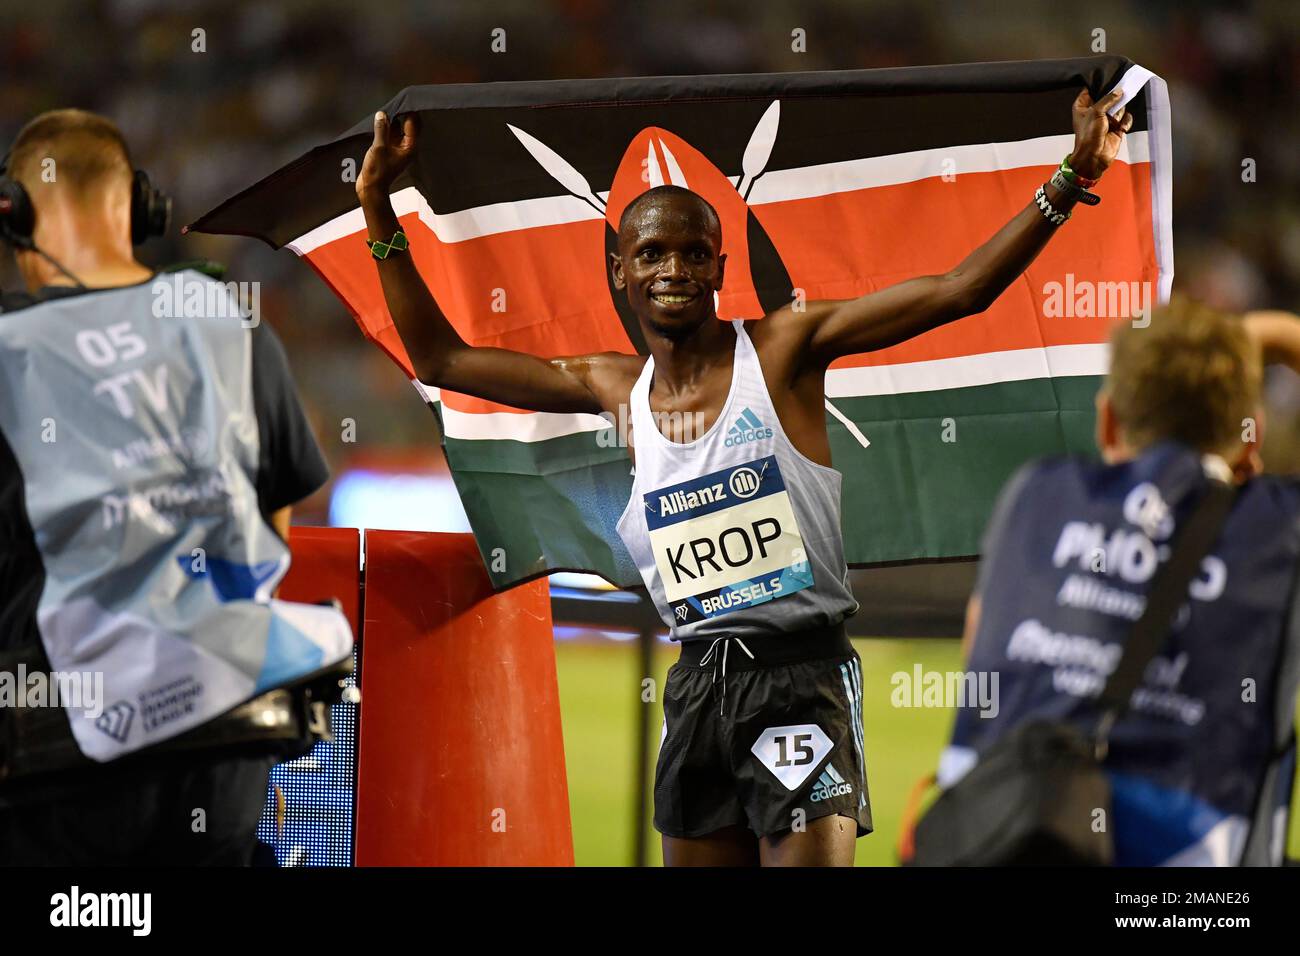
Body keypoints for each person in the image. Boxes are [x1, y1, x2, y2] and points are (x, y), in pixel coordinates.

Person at [354, 86, 1133, 865]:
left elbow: (961, 291)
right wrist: (379, 209)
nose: (675, 269)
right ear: (618, 267)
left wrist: (1070, 177)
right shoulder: (610, 386)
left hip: (802, 679)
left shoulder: (784, 350)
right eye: (653, 253)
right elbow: (441, 361)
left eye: (696, 252)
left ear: (721, 266)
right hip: (696, 685)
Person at [0, 109, 347, 865]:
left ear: (15, 215)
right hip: (230, 736)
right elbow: (272, 531)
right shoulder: (232, 325)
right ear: (141, 209)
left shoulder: (9, 347)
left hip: (57, 757)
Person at [939, 299, 1300, 866]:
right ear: (1250, 447)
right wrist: (1273, 335)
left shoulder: (1038, 493)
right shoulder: (1278, 531)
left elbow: (979, 643)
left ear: (1107, 420)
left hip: (993, 830)